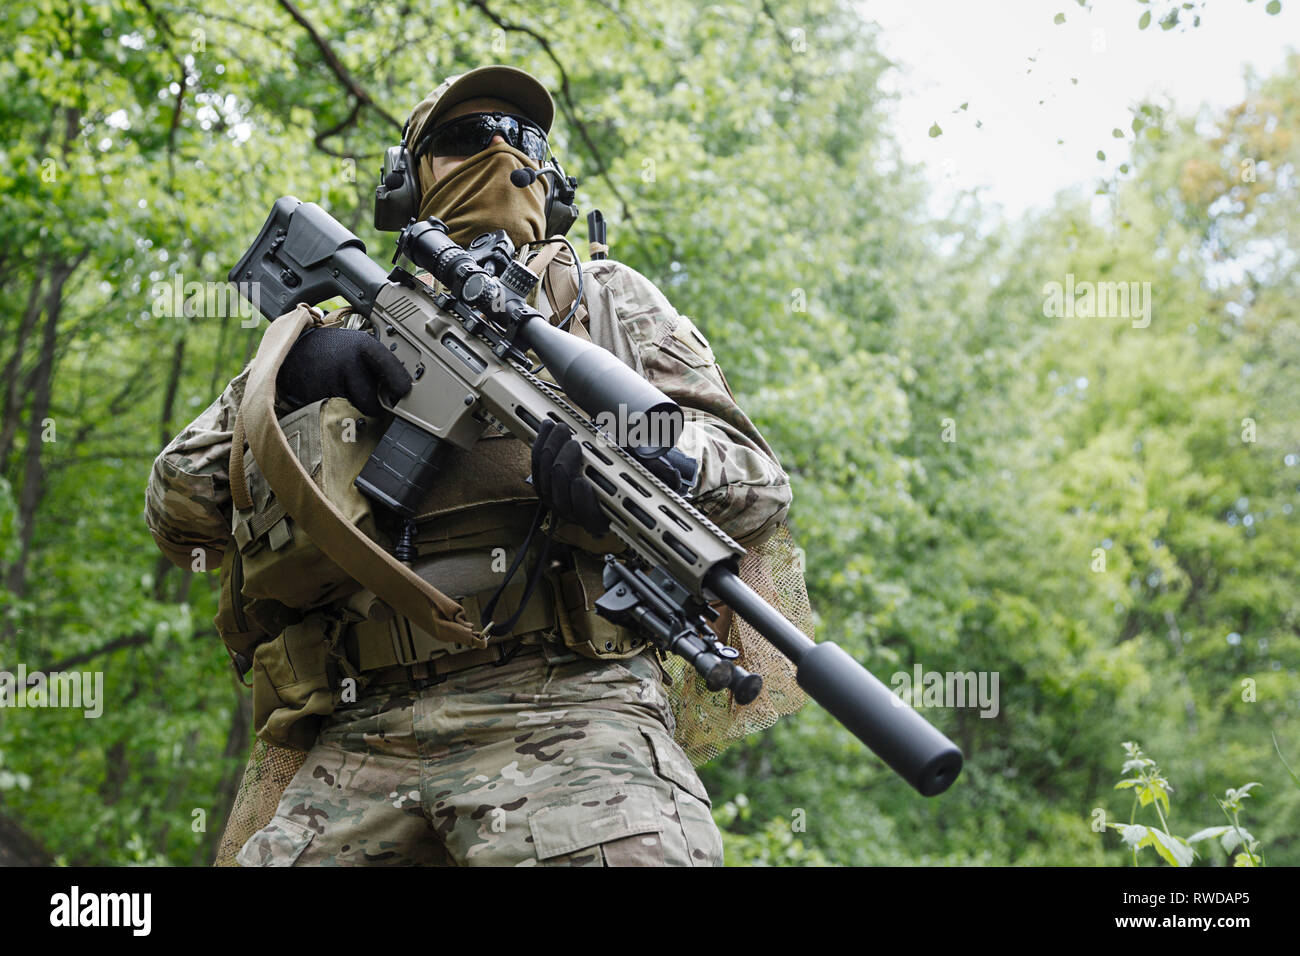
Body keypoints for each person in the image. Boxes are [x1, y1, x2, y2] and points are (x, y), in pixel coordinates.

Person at [146, 65, 793, 866]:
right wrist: (291, 380)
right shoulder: (341, 323)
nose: (495, 149)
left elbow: (760, 487)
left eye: (519, 138)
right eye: (460, 139)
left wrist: (647, 460)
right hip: (359, 722)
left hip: (577, 710)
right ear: (406, 183)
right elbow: (177, 511)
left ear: (549, 178)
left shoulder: (610, 303)